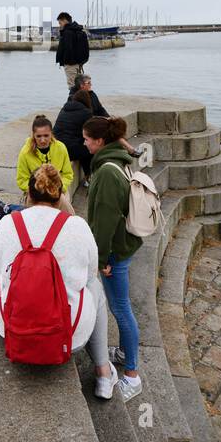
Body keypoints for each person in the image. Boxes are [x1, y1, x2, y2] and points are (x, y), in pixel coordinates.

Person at [0, 164, 118, 399]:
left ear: (28, 193)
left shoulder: (7, 224)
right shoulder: (77, 226)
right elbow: (89, 277)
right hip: (68, 337)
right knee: (95, 287)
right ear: (60, 196)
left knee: (0, 284)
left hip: (12, 332)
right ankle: (103, 373)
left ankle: (20, 325)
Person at [83, 115, 144, 401]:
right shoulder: (115, 161)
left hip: (115, 253)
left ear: (99, 141)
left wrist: (102, 259)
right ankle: (122, 353)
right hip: (122, 246)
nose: (83, 144)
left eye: (86, 139)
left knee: (121, 310)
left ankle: (132, 375)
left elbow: (105, 221)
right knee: (121, 308)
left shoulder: (106, 172)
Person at [71, 73, 143, 158]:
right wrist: (104, 120)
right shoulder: (74, 97)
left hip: (93, 121)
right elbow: (84, 115)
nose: (91, 85)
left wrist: (108, 117)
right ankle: (130, 150)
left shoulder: (92, 94)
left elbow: (100, 109)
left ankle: (128, 150)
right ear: (82, 85)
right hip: (86, 126)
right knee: (111, 130)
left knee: (114, 125)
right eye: (89, 83)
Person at [16, 115, 75, 212]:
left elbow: (68, 174)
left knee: (66, 209)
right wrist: (38, 191)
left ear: (51, 133)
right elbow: (22, 180)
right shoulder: (25, 152)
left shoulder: (61, 148)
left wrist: (59, 188)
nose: (42, 140)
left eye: (46, 136)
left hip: (58, 189)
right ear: (33, 135)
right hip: (35, 193)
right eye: (38, 136)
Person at [54, 90, 97, 186]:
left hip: (56, 147)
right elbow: (90, 134)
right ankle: (89, 176)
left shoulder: (64, 109)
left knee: (81, 146)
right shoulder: (86, 113)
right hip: (69, 151)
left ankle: (88, 177)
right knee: (90, 149)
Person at [55, 12, 90, 89]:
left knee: (72, 86)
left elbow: (68, 48)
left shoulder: (67, 32)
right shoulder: (79, 31)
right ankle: (81, 99)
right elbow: (85, 48)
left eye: (60, 23)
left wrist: (66, 62)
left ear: (64, 20)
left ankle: (74, 100)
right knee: (79, 85)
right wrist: (81, 62)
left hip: (70, 64)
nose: (60, 26)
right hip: (79, 63)